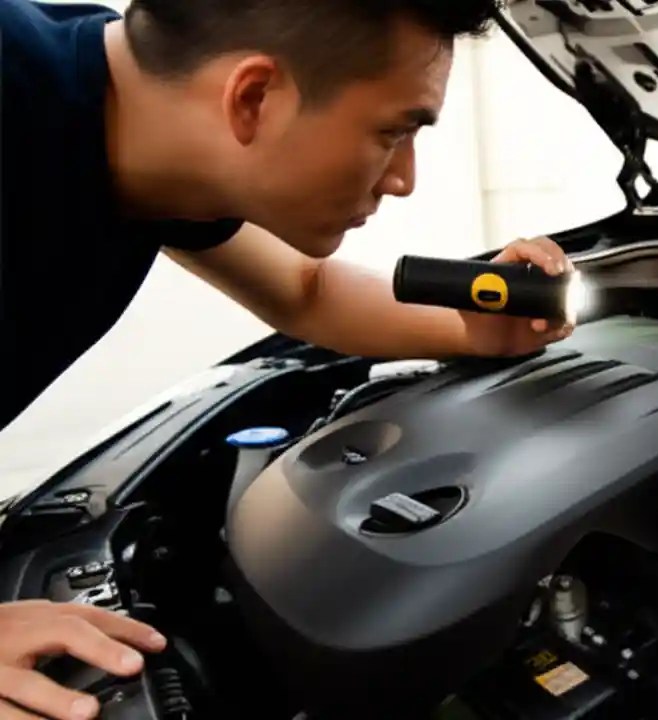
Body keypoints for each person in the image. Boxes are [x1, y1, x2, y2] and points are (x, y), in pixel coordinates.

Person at [0, 0, 575, 717]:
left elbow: (306, 291)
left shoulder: (133, 114)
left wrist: (475, 334)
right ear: (253, 97)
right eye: (392, 131)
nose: (404, 178)